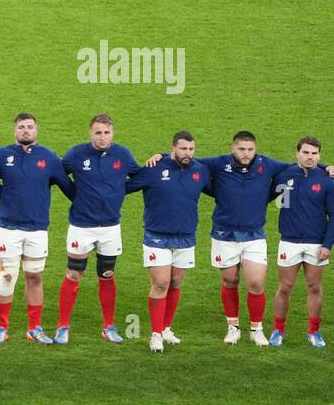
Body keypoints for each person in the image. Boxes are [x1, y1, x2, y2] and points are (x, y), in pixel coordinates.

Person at [146, 131, 333, 346]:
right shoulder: (218, 164)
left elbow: (302, 164)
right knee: (230, 280)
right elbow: (186, 158)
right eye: (242, 149)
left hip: (254, 234)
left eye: (250, 149)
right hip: (224, 234)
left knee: (255, 283)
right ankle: (233, 327)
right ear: (232, 148)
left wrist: (325, 167)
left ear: (255, 149)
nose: (246, 154)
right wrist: (161, 155)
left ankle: (257, 329)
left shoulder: (267, 164)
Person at [0, 113, 75, 345]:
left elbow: (68, 187)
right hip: (8, 228)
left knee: (34, 277)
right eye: (21, 127)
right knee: (7, 276)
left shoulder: (49, 158)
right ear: (15, 131)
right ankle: (1, 328)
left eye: (29, 127)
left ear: (36, 130)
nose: (25, 131)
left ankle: (34, 328)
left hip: (37, 229)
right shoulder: (2, 156)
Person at [55, 114, 139, 344]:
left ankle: (108, 326)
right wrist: (76, 195)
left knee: (107, 275)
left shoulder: (123, 154)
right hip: (82, 225)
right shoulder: (76, 154)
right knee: (74, 273)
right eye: (98, 132)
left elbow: (139, 176)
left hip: (111, 226)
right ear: (91, 133)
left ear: (113, 133)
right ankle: (63, 326)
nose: (103, 137)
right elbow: (58, 176)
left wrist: (119, 192)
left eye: (107, 132)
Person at [125, 131, 212, 352]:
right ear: (173, 148)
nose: (187, 153)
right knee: (160, 283)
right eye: (183, 149)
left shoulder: (200, 171)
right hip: (156, 236)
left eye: (191, 149)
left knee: (174, 283)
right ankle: (155, 334)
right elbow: (125, 186)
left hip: (186, 238)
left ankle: (165, 328)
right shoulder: (154, 168)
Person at [270, 136, 334, 347]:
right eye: (306, 152)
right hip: (289, 241)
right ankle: (278, 330)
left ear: (319, 155)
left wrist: (327, 245)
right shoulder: (283, 174)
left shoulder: (327, 180)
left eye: (314, 153)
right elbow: (276, 199)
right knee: (285, 286)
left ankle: (314, 332)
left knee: (314, 287)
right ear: (297, 153)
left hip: (316, 243)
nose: (310, 157)